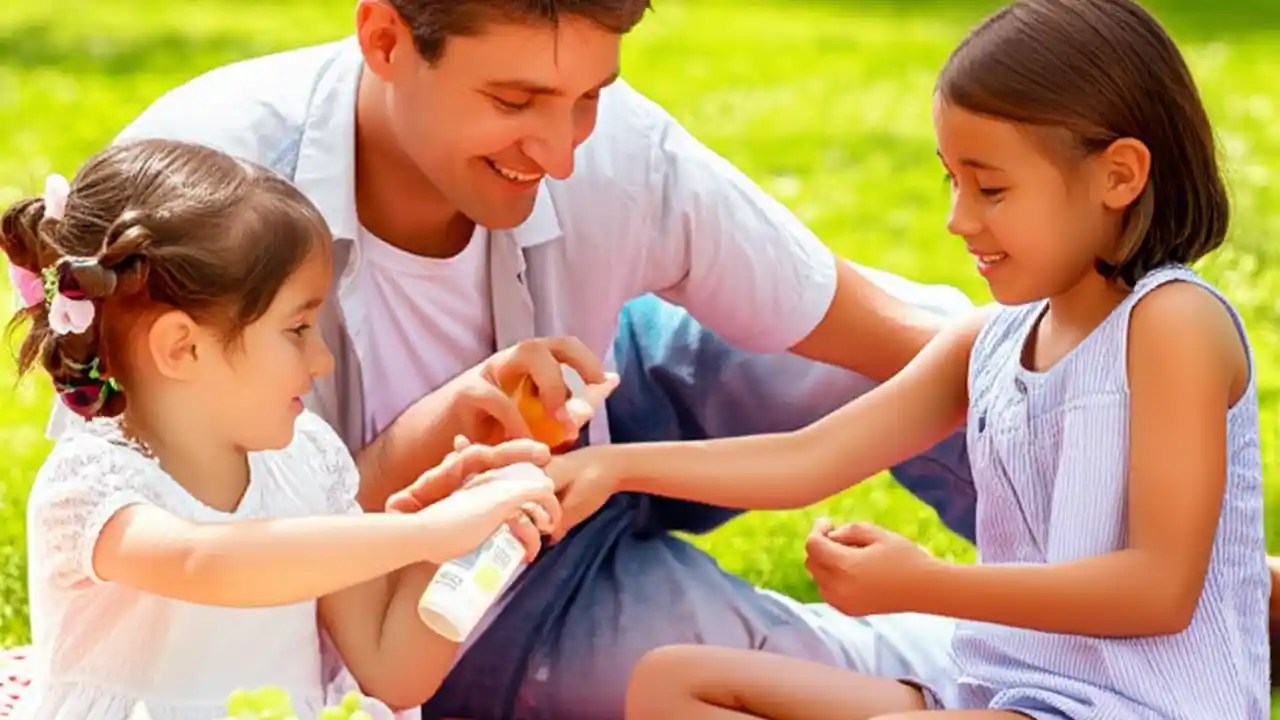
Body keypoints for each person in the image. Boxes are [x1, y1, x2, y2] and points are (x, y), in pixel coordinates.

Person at [65, 0, 1278, 717]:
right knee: (667, 675)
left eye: (587, 97)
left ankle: (1234, 607)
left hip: (572, 440)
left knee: (926, 363)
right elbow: (268, 560)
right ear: (386, 37)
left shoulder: (1152, 326)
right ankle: (945, 676)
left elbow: (863, 339)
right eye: (513, 98)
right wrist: (495, 488)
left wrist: (1059, 382)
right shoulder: (209, 197)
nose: (557, 146)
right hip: (463, 553)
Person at [550, 1, 1271, 717]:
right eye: (952, 181)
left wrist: (921, 583)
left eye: (991, 188)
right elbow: (810, 457)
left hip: (1137, 705)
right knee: (671, 681)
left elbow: (1158, 590)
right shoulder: (990, 341)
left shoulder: (1173, 324)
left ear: (1119, 175)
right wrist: (612, 468)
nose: (959, 218)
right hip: (1003, 693)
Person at [3, 139, 575, 719]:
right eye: (297, 328)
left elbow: (393, 671)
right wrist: (428, 531)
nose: (320, 358)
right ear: (182, 347)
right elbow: (206, 563)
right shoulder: (91, 484)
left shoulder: (306, 460)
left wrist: (455, 552)